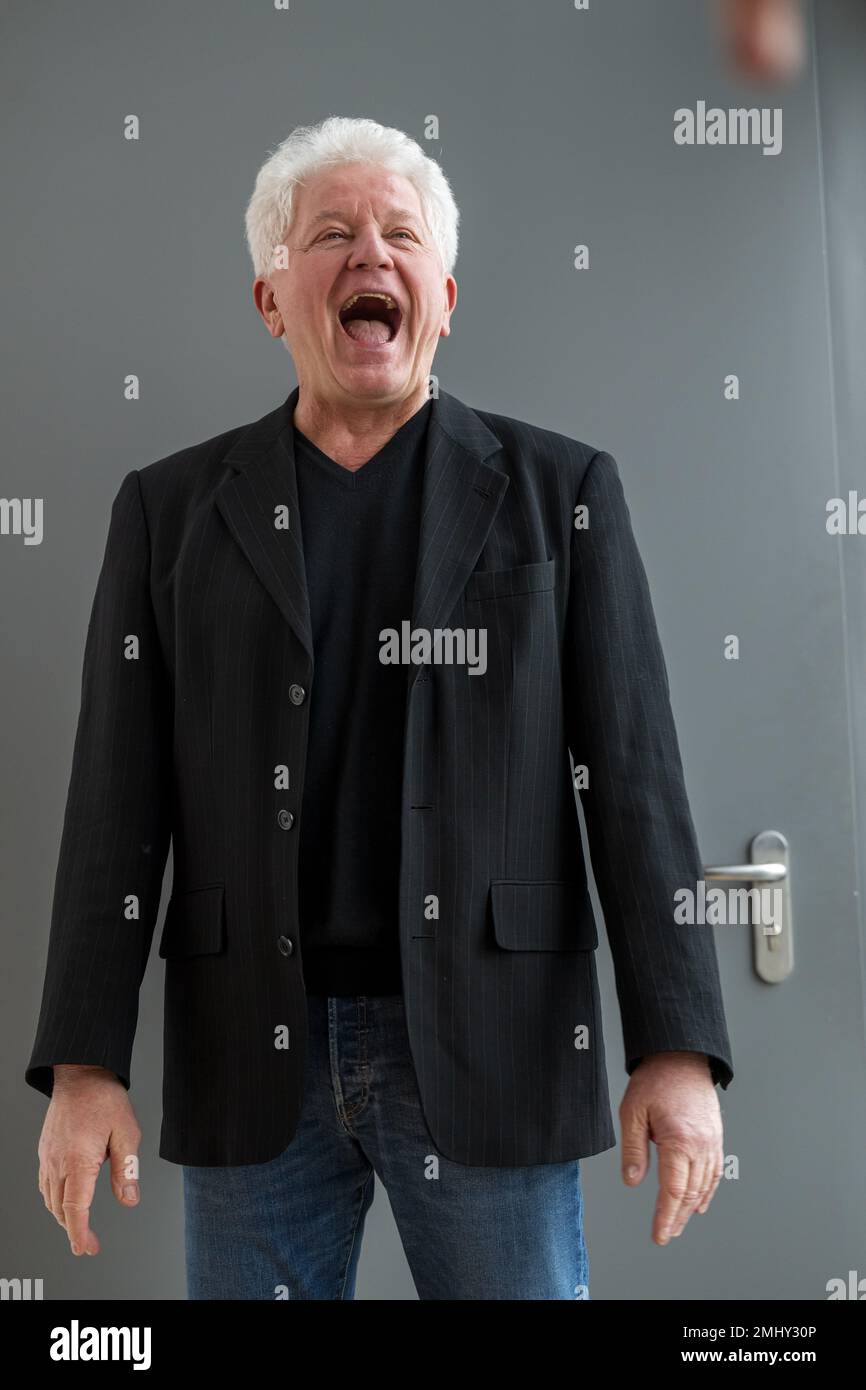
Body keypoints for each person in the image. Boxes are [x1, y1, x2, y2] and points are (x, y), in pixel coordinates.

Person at [26, 116, 733, 1300]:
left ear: (441, 296)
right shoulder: (170, 511)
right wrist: (85, 1064)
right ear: (270, 297)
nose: (370, 256)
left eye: (399, 235)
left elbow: (632, 777)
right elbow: (115, 803)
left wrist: (675, 1046)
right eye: (332, 235)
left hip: (490, 1044)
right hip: (256, 1053)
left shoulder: (561, 491)